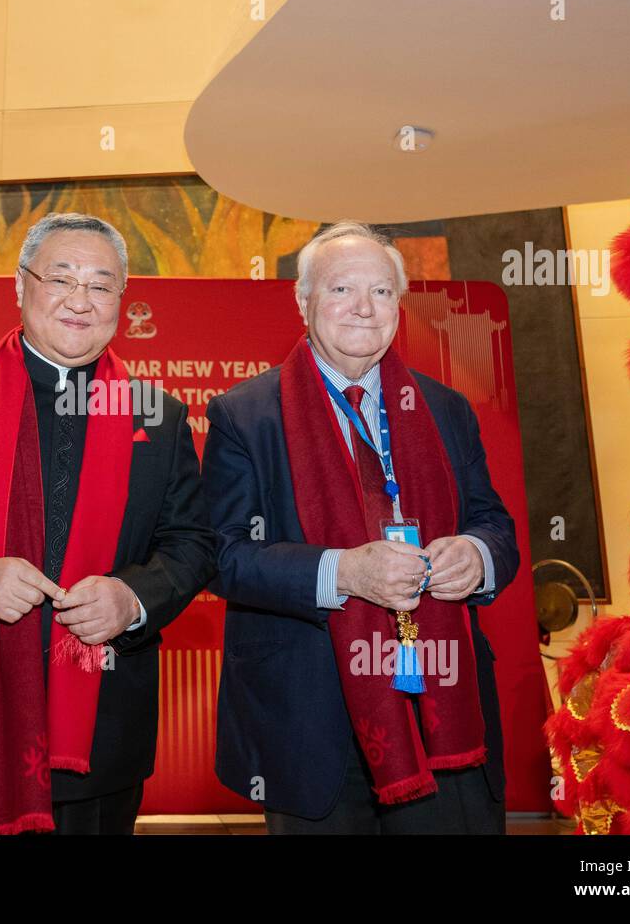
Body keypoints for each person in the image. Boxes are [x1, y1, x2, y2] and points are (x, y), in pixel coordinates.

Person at [0, 212, 215, 834]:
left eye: (102, 285)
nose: (81, 300)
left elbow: (192, 544)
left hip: (102, 730)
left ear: (121, 302)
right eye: (61, 278)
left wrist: (132, 597)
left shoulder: (158, 416)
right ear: (20, 286)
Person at [204, 220, 518, 834]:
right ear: (303, 301)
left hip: (442, 697)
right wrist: (344, 571)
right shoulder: (244, 415)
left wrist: (477, 556)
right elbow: (224, 555)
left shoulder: (445, 409)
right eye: (342, 290)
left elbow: (494, 523)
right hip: (314, 715)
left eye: (380, 292)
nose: (363, 309)